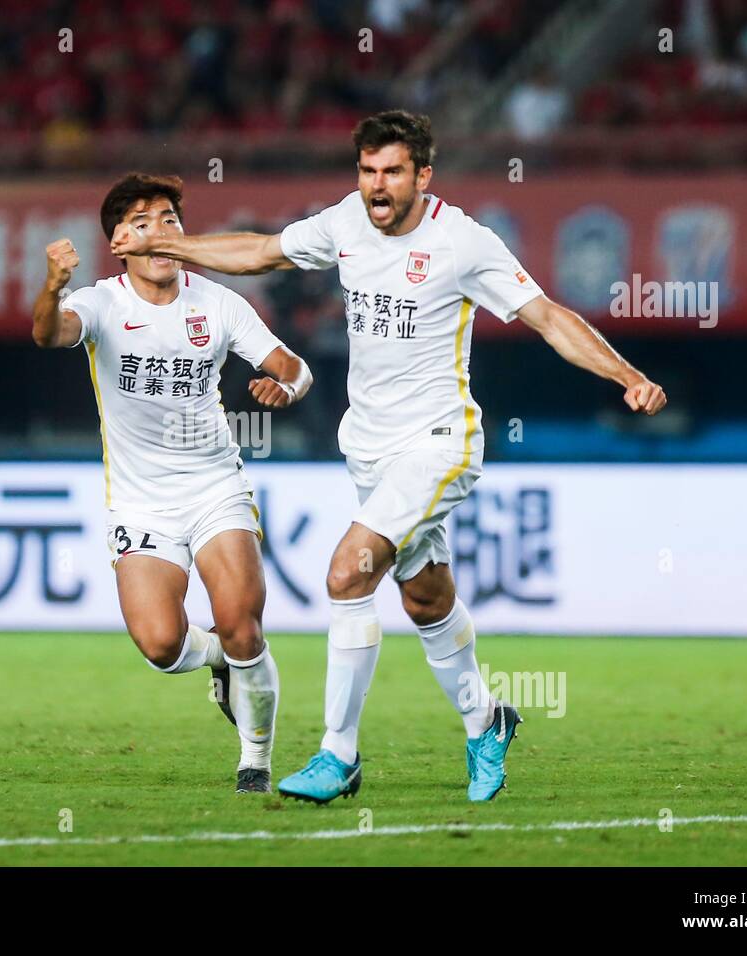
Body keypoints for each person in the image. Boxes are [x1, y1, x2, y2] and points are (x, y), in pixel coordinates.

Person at [110, 111, 667, 803]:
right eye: (368, 170)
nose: (378, 185)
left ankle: (337, 756)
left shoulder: (463, 242)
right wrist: (175, 247)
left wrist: (626, 376)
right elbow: (259, 252)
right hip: (370, 448)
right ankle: (487, 720)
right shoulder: (346, 222)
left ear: (423, 176)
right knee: (426, 596)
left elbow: (547, 315)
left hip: (439, 444)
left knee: (348, 575)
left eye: (393, 172)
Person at [33, 173, 313, 792]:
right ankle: (217, 661)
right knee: (161, 645)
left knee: (243, 622)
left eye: (167, 218)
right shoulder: (102, 303)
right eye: (139, 222)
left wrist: (286, 386)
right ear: (118, 245)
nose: (157, 230)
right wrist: (53, 288)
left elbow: (293, 366)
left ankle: (256, 760)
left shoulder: (217, 303)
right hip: (141, 502)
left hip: (215, 487)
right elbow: (49, 333)